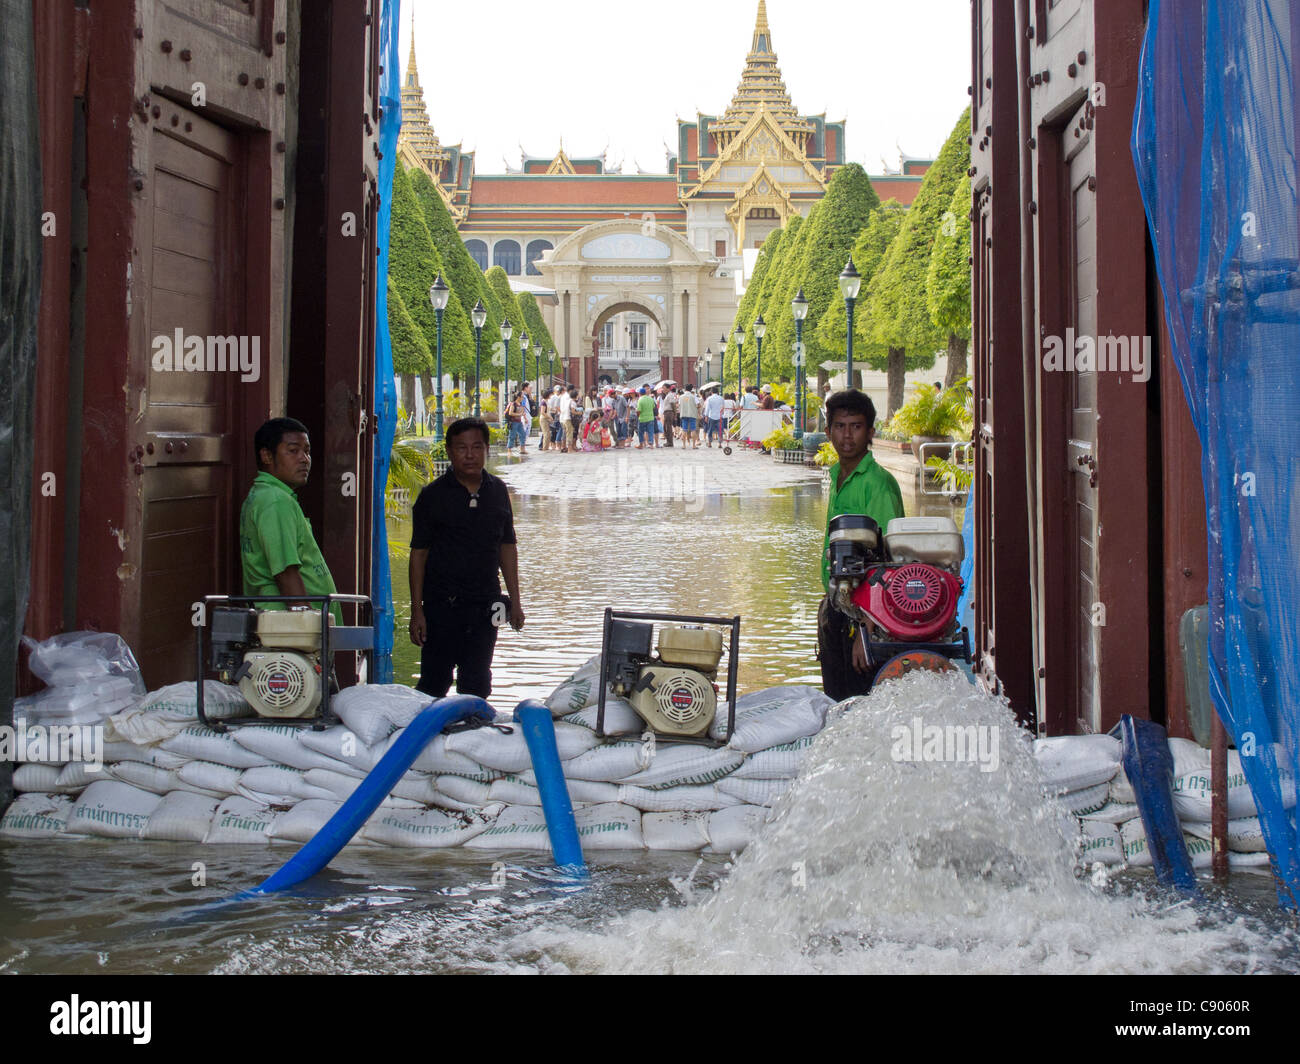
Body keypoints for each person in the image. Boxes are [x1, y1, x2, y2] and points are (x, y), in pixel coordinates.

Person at [409, 417, 524, 699]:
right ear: (449, 451)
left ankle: (473, 732)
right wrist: (417, 610)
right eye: (461, 448)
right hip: (441, 606)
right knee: (434, 683)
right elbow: (418, 555)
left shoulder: (497, 491)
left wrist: (517, 601)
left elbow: (507, 547)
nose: (470, 455)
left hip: (486, 605)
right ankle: (426, 737)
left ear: (487, 449)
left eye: (476, 447)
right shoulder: (432, 496)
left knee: (478, 681)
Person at [817, 389, 906, 701]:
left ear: (871, 432)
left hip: (867, 619)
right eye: (840, 426)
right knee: (835, 700)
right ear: (828, 432)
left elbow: (889, 562)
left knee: (859, 702)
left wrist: (867, 632)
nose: (847, 435)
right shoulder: (839, 475)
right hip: (837, 606)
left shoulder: (877, 483)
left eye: (856, 426)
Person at [240, 418, 339, 619]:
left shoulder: (267, 496)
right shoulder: (275, 501)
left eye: (307, 451)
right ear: (267, 456)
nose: (304, 459)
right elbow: (285, 571)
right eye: (293, 451)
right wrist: (307, 622)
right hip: (287, 628)